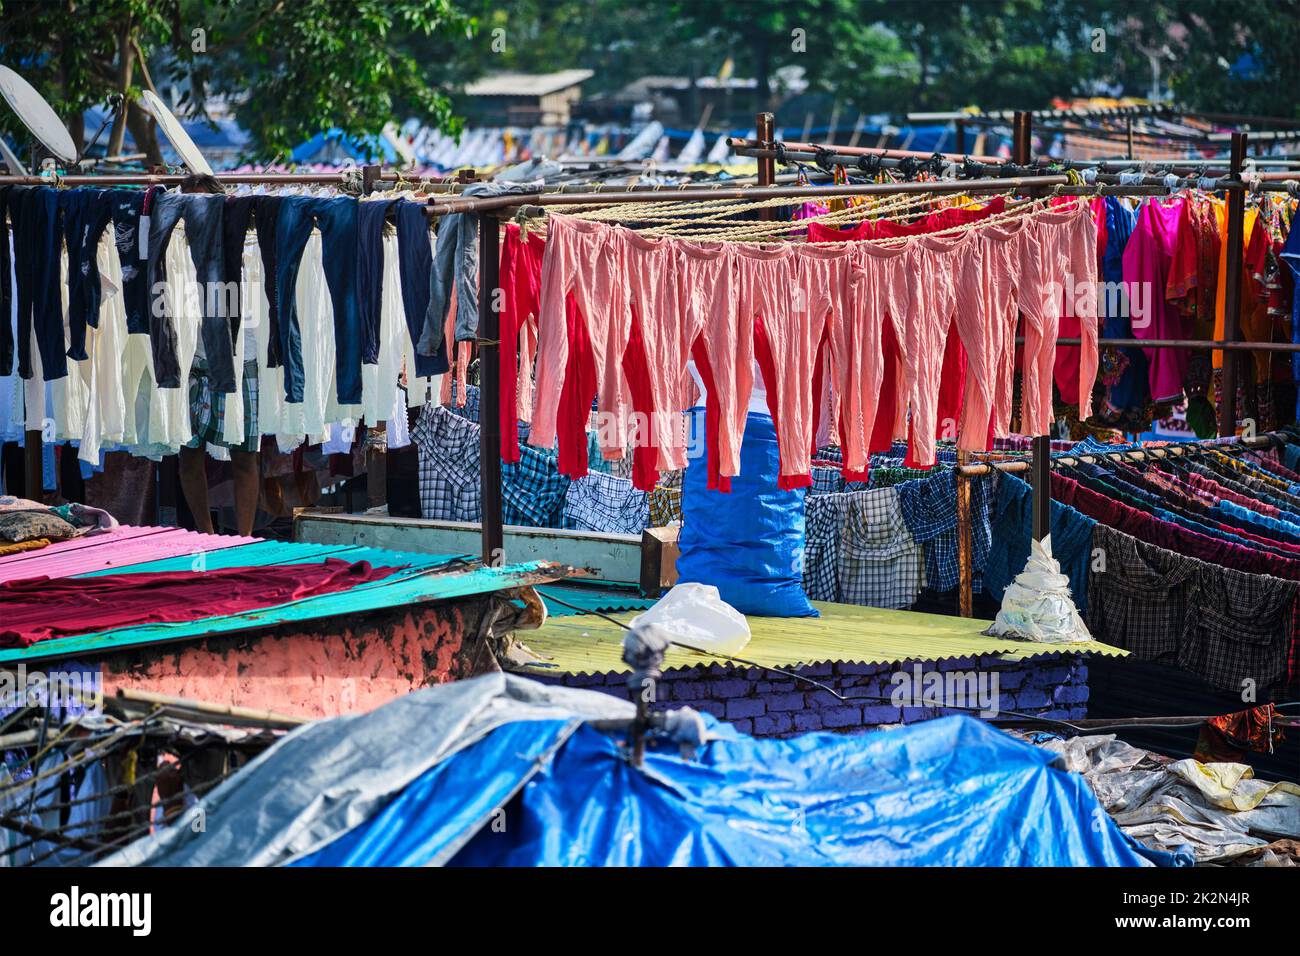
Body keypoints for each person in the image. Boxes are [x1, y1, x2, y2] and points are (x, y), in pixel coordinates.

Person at [174, 174, 262, 536]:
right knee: (189, 452)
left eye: (203, 204)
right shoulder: (176, 246)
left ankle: (243, 538)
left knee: (244, 455)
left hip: (241, 356)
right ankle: (205, 534)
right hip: (192, 359)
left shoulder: (244, 245)